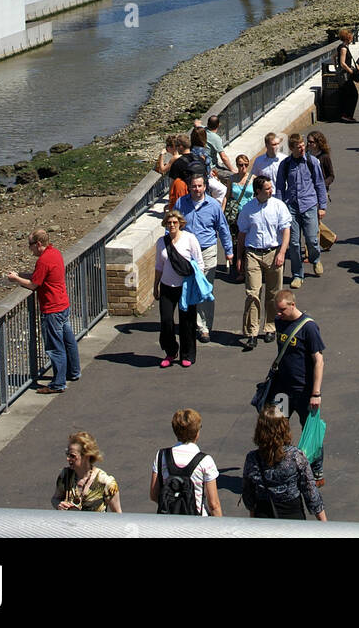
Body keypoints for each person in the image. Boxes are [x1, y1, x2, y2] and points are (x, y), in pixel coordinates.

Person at [7, 228, 80, 394]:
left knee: (55, 347)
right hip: (63, 304)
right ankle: (74, 372)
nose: (29, 249)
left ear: (38, 244)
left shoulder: (43, 261)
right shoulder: (55, 253)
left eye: (30, 245)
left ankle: (58, 384)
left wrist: (16, 279)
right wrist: (25, 275)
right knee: (69, 341)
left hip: (52, 309)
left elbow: (33, 285)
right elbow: (39, 277)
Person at [269, 289, 325, 481]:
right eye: (276, 310)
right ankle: (280, 466)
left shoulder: (308, 327)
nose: (278, 314)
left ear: (292, 305)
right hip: (282, 390)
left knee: (310, 431)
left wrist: (315, 393)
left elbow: (319, 360)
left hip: (304, 391)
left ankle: (316, 471)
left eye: (282, 310)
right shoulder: (279, 322)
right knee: (276, 427)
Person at [175, 173, 233, 343]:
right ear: (189, 187)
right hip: (186, 252)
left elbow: (223, 228)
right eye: (194, 186)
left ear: (205, 187)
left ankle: (205, 327)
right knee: (189, 288)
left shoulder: (213, 206)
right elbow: (172, 224)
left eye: (200, 186)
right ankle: (195, 324)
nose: (197, 189)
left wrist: (229, 250)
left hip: (207, 251)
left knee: (205, 289)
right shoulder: (181, 203)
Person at [241, 406, 326, 521]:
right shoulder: (296, 456)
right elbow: (311, 493)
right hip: (292, 516)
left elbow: (248, 494)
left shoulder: (252, 458)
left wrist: (252, 515)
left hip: (263, 517)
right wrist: (324, 524)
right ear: (284, 428)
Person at [237, 176, 291, 349]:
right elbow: (242, 234)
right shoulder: (247, 209)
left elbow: (286, 230)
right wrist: (239, 257)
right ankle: (251, 332)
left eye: (271, 187)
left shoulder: (278, 206)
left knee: (273, 293)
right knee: (253, 293)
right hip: (253, 253)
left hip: (273, 252)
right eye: (267, 188)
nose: (271, 191)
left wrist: (282, 252)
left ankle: (270, 327)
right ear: (258, 191)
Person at [275, 133, 327, 287]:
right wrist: (280, 207)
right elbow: (279, 187)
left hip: (309, 205)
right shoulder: (285, 165)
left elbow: (319, 184)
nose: (302, 148)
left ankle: (315, 259)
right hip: (291, 207)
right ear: (291, 148)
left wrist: (322, 206)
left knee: (311, 239)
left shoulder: (312, 162)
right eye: (298, 147)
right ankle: (297, 274)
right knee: (294, 243)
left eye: (303, 145)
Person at [153, 209, 203, 369]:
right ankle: (170, 351)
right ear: (165, 224)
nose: (172, 225)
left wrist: (197, 285)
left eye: (175, 222)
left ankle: (187, 354)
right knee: (166, 321)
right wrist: (155, 285)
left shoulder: (190, 239)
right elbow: (159, 266)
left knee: (187, 323)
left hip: (186, 288)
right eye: (169, 223)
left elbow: (199, 263)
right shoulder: (161, 242)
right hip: (167, 287)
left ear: (180, 223)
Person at [150, 407, 222, 516]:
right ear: (196, 433)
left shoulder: (161, 455)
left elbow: (154, 494)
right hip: (197, 523)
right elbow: (214, 504)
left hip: (168, 522)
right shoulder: (205, 461)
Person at [53, 431, 121, 513]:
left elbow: (117, 515)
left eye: (72, 456)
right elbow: (55, 498)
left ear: (86, 456)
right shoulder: (65, 476)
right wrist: (59, 505)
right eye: (67, 454)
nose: (68, 459)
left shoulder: (106, 482)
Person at [336, 28, 359, 121]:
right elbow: (342, 63)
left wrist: (336, 68)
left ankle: (345, 114)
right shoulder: (344, 48)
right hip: (346, 76)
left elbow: (334, 56)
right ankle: (347, 115)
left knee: (347, 94)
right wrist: (350, 71)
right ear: (348, 38)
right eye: (351, 37)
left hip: (343, 74)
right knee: (354, 94)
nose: (352, 38)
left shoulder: (341, 47)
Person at [306, 129, 335, 196]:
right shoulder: (305, 155)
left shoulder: (324, 157)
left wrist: (322, 184)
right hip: (307, 189)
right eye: (307, 141)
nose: (308, 144)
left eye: (311, 142)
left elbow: (331, 176)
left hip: (320, 190)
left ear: (318, 143)